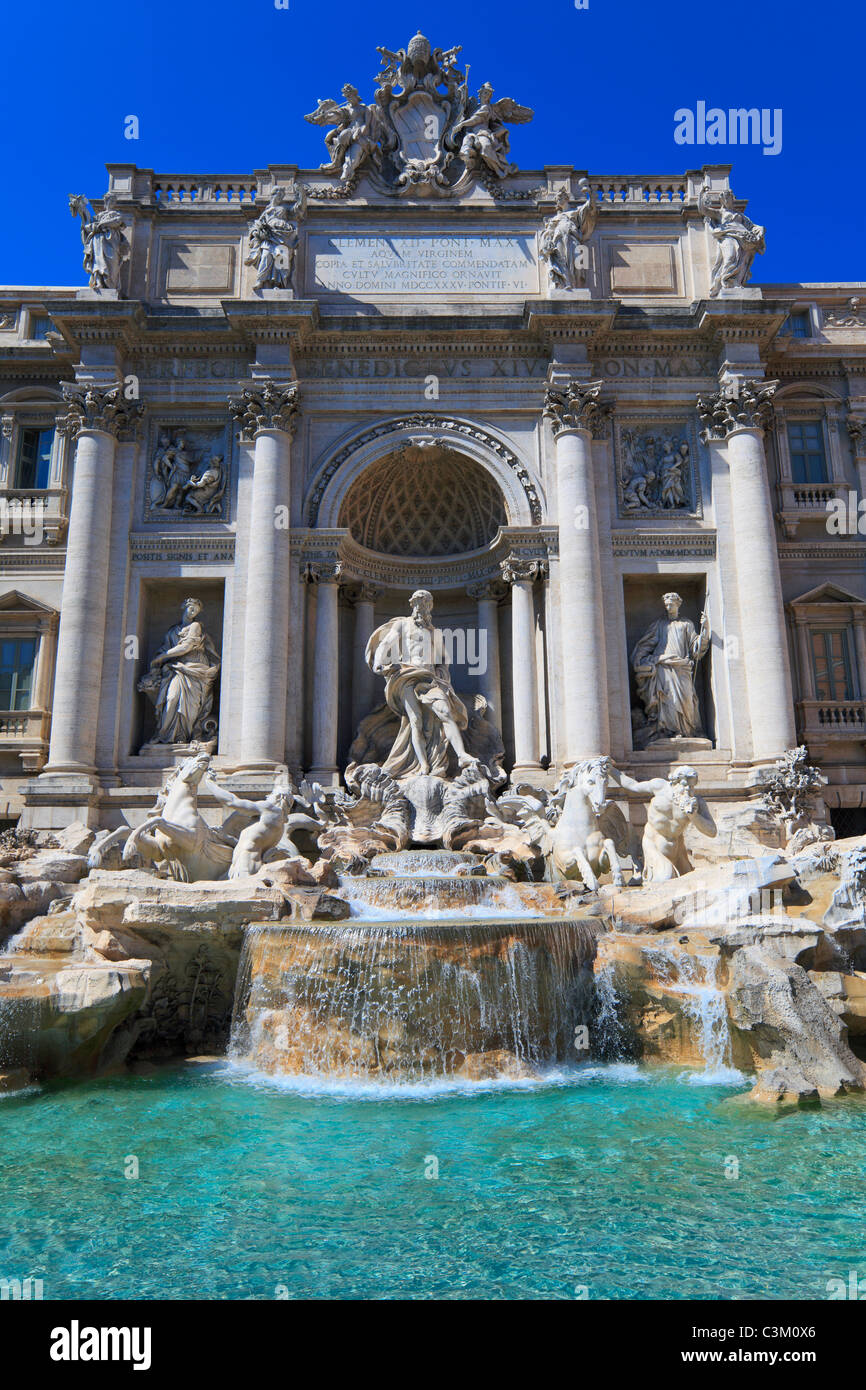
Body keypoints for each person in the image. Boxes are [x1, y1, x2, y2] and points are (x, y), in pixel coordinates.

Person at [365, 589, 473, 778]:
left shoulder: (435, 633)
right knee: (415, 722)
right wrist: (378, 664)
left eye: (425, 604)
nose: (421, 607)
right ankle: (423, 765)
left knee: (445, 713)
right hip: (407, 676)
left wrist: (442, 676)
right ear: (412, 605)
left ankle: (462, 755)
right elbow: (385, 643)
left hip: (430, 680)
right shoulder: (402, 625)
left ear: (430, 607)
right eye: (418, 603)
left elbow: (444, 659)